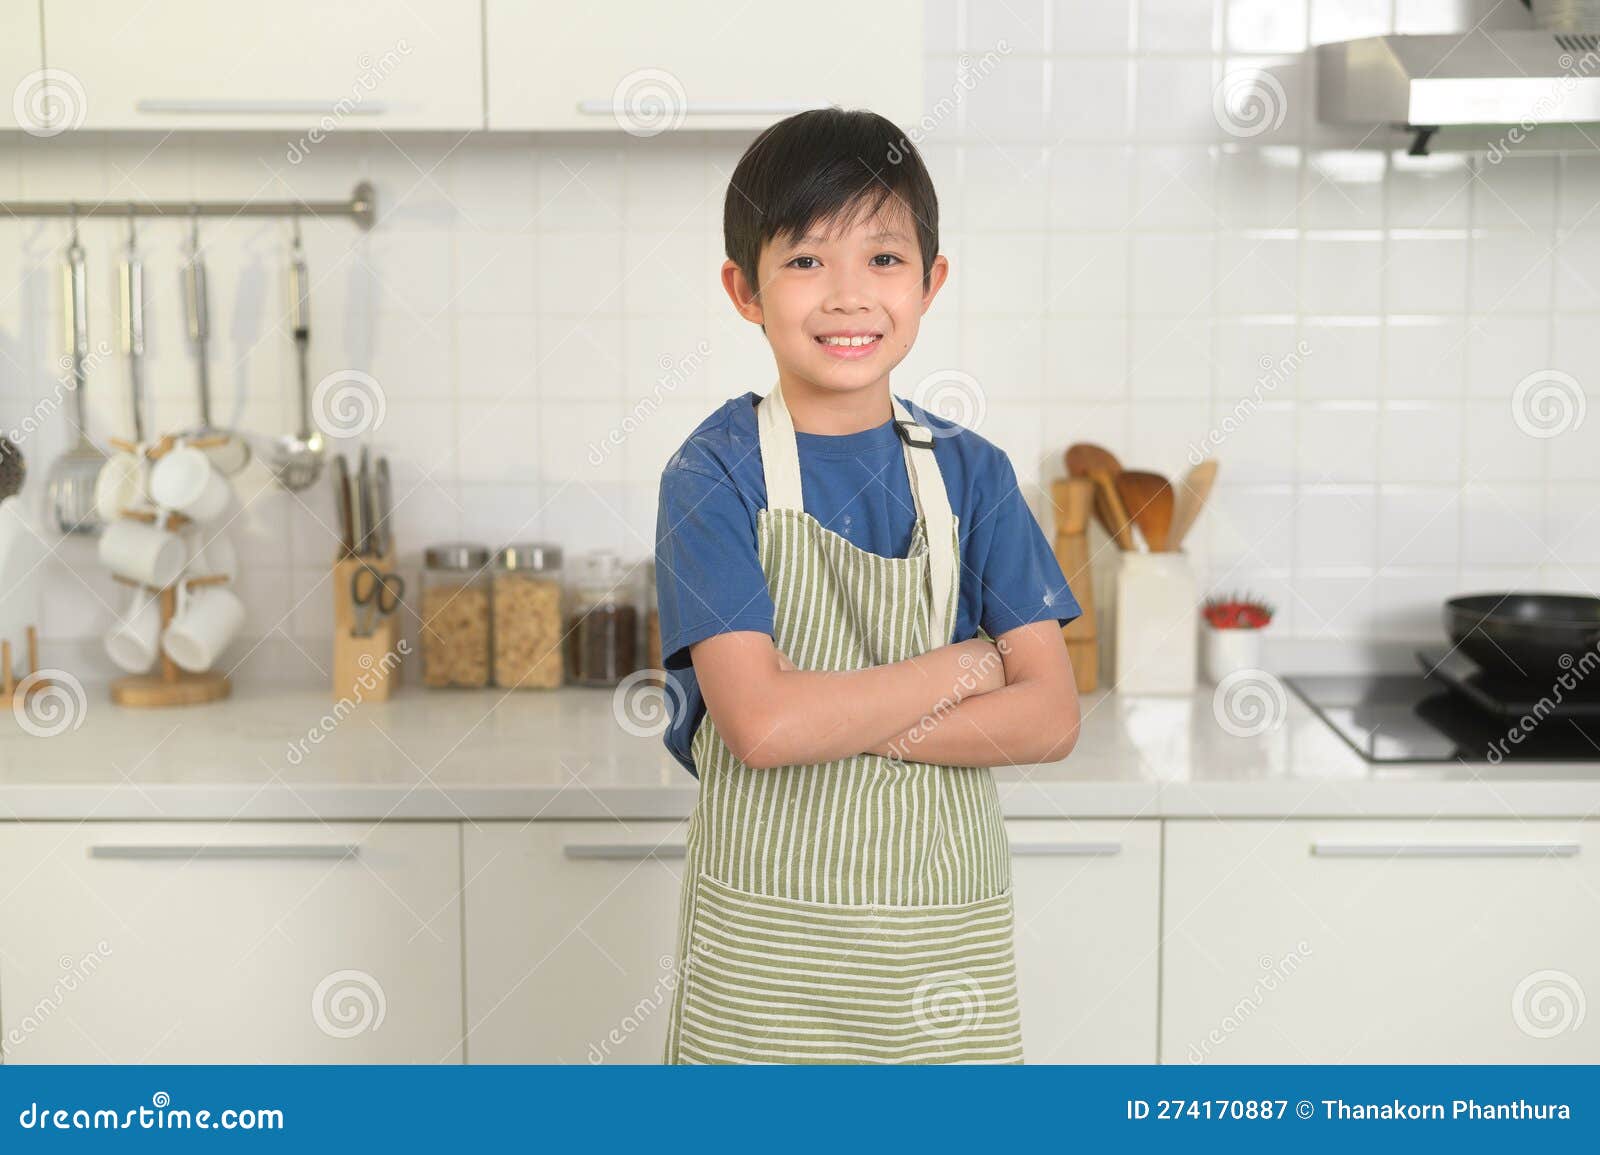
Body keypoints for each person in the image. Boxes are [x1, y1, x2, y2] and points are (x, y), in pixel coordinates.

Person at [654, 107, 1082, 1064]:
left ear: (931, 283)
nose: (848, 296)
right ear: (744, 289)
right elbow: (761, 729)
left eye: (883, 260)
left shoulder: (974, 474)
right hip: (767, 960)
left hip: (940, 945)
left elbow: (1051, 718)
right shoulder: (713, 474)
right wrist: (974, 663)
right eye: (805, 261)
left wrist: (826, 722)